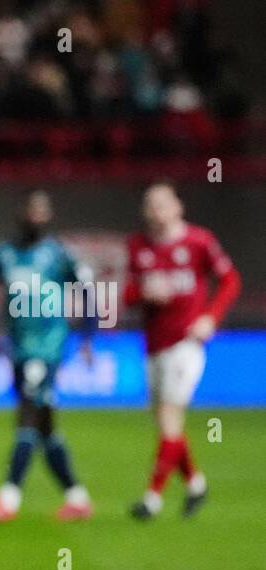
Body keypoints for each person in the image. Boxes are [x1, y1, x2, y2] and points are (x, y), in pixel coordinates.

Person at [0, 189, 95, 522]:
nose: (37, 215)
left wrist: (87, 338)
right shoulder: (3, 253)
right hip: (18, 349)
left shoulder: (59, 254)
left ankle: (9, 498)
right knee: (45, 425)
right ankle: (77, 497)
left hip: (48, 349)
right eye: (31, 209)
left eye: (43, 209)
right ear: (20, 213)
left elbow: (87, 291)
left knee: (28, 415)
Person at [124, 180, 240, 520]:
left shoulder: (199, 242)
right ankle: (196, 484)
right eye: (150, 205)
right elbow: (128, 295)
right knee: (166, 424)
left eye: (163, 204)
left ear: (178, 207)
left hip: (185, 344)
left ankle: (152, 499)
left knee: (171, 418)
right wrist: (145, 293)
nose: (156, 212)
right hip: (154, 344)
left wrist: (210, 318)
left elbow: (230, 280)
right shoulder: (139, 247)